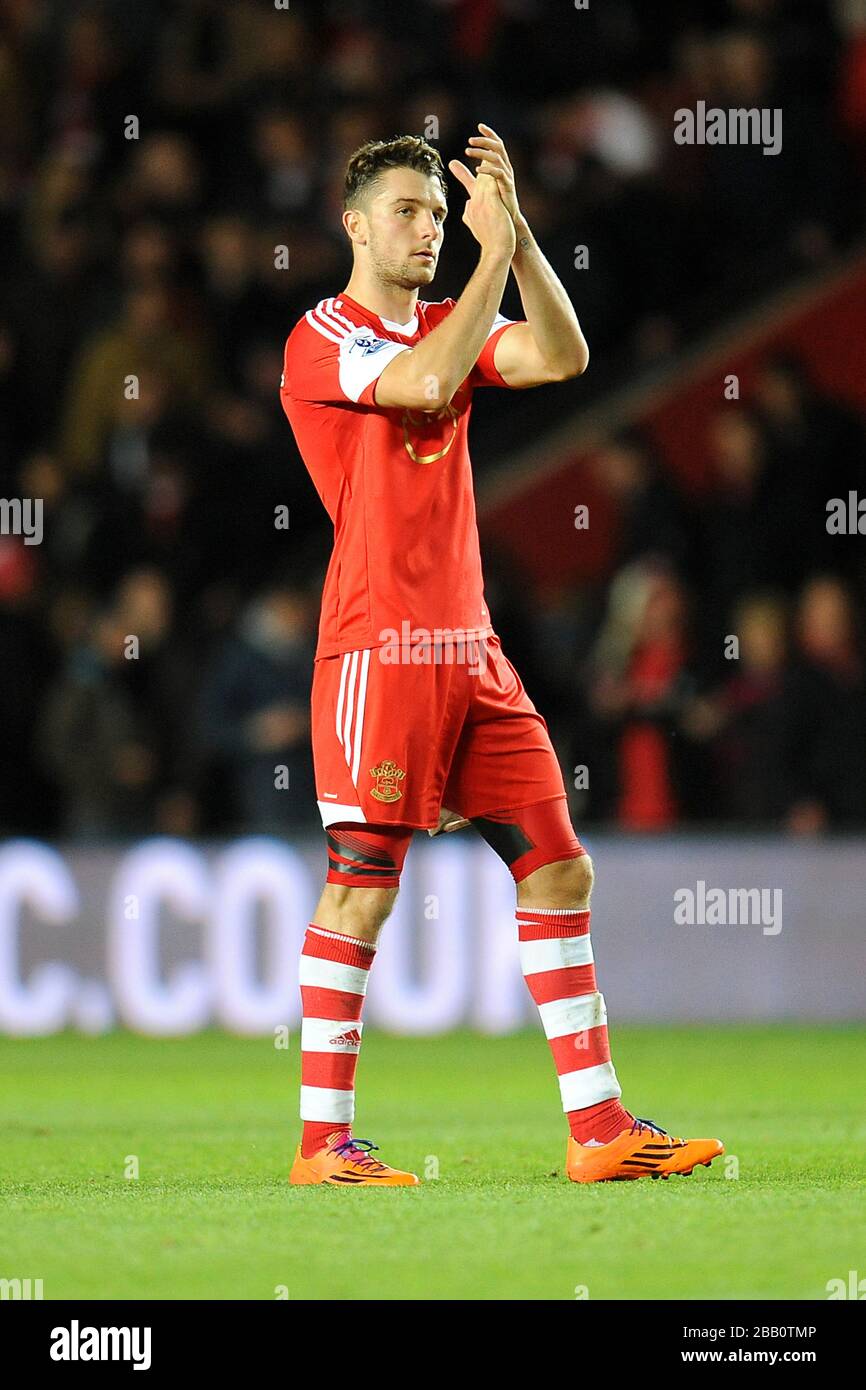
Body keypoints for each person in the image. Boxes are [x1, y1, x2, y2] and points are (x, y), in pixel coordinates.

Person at [279, 128, 723, 1186]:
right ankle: (320, 1144)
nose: (426, 228)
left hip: (472, 651)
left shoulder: (452, 315)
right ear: (352, 225)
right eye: (405, 211)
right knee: (363, 884)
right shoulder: (321, 337)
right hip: (377, 650)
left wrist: (517, 240)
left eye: (438, 213)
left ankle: (598, 1129)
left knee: (558, 865)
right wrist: (489, 266)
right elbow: (425, 386)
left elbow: (562, 355)